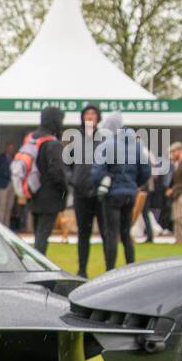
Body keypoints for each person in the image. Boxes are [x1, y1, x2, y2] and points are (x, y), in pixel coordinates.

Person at [92, 111, 150, 270]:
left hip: (112, 195)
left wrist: (105, 182)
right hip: (130, 194)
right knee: (126, 234)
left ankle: (110, 270)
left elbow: (97, 172)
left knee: (112, 234)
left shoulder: (107, 145)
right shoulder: (136, 146)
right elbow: (146, 170)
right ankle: (131, 268)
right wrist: (133, 184)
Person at [27, 106, 68, 257]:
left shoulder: (32, 139)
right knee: (42, 237)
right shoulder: (52, 143)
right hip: (49, 196)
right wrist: (64, 191)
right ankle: (38, 265)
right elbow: (57, 172)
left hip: (33, 192)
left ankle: (36, 261)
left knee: (38, 233)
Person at [70, 104, 103, 276]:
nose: (90, 116)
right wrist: (72, 179)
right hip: (81, 192)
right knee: (83, 233)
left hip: (100, 194)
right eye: (87, 114)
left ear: (98, 117)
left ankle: (109, 270)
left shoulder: (104, 138)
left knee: (106, 233)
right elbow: (67, 164)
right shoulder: (76, 139)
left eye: (93, 114)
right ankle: (82, 270)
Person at [0, 141, 15, 227]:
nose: (11, 149)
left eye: (12, 148)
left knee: (9, 206)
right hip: (3, 183)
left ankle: (7, 225)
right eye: (10, 147)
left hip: (12, 184)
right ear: (6, 147)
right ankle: (0, 225)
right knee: (2, 205)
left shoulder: (15, 157)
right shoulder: (0, 158)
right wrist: (9, 174)